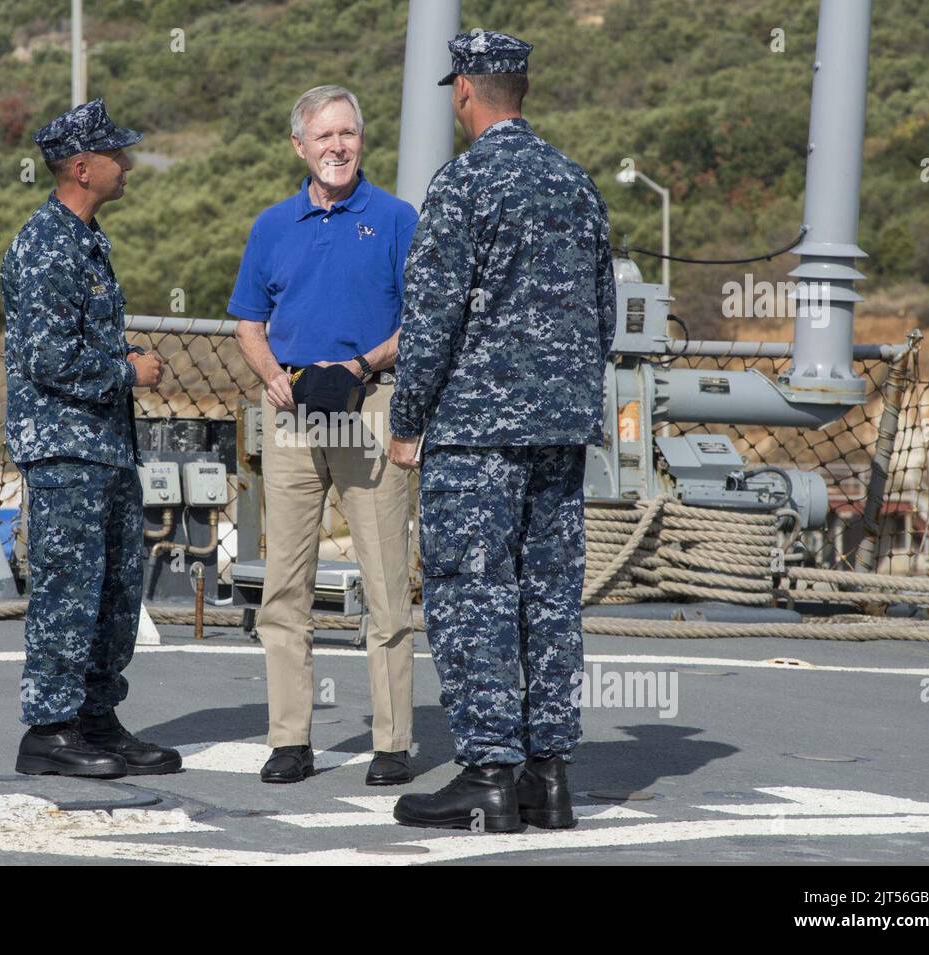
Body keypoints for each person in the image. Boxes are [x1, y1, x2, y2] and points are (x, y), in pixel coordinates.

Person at [387, 32, 617, 831]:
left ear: (465, 94)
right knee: (549, 595)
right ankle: (548, 775)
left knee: (474, 592)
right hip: (560, 430)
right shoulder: (576, 184)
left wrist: (407, 419)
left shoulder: (465, 183)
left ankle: (488, 769)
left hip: (477, 433)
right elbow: (604, 315)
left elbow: (431, 321)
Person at [228, 86, 420, 785]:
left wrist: (363, 363)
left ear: (362, 141)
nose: (338, 147)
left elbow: (421, 319)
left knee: (386, 580)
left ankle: (394, 741)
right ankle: (290, 738)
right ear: (299, 147)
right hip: (291, 410)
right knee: (285, 583)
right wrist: (272, 374)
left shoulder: (398, 219)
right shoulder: (272, 225)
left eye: (349, 134)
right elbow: (249, 321)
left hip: (370, 404)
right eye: (324, 136)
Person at [2, 98, 181, 778]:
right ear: (82, 167)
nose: (127, 163)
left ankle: (96, 717)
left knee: (111, 592)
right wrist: (127, 369)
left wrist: (123, 354)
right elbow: (49, 360)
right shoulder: (47, 244)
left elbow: (78, 342)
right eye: (115, 154)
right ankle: (49, 729)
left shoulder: (84, 240)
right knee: (67, 589)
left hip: (102, 444)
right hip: (66, 448)